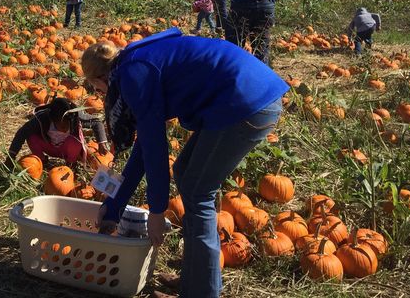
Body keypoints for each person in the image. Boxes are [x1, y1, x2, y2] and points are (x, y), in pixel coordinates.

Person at [81, 30, 288, 298]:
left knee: (198, 191)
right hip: (241, 95)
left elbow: (155, 148)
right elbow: (144, 148)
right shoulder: (131, 64)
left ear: (101, 79)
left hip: (246, 100)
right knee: (184, 173)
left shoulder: (133, 76)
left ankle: (201, 293)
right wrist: (114, 205)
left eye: (96, 89)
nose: (99, 95)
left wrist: (157, 212)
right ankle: (195, 279)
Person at [7, 97, 109, 167]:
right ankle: (43, 161)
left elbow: (96, 122)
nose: (65, 128)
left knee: (75, 141)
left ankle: (70, 164)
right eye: (62, 125)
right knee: (31, 137)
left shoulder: (75, 117)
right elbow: (22, 133)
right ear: (52, 119)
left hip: (67, 150)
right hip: (49, 146)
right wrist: (11, 156)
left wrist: (102, 143)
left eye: (67, 125)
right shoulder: (42, 118)